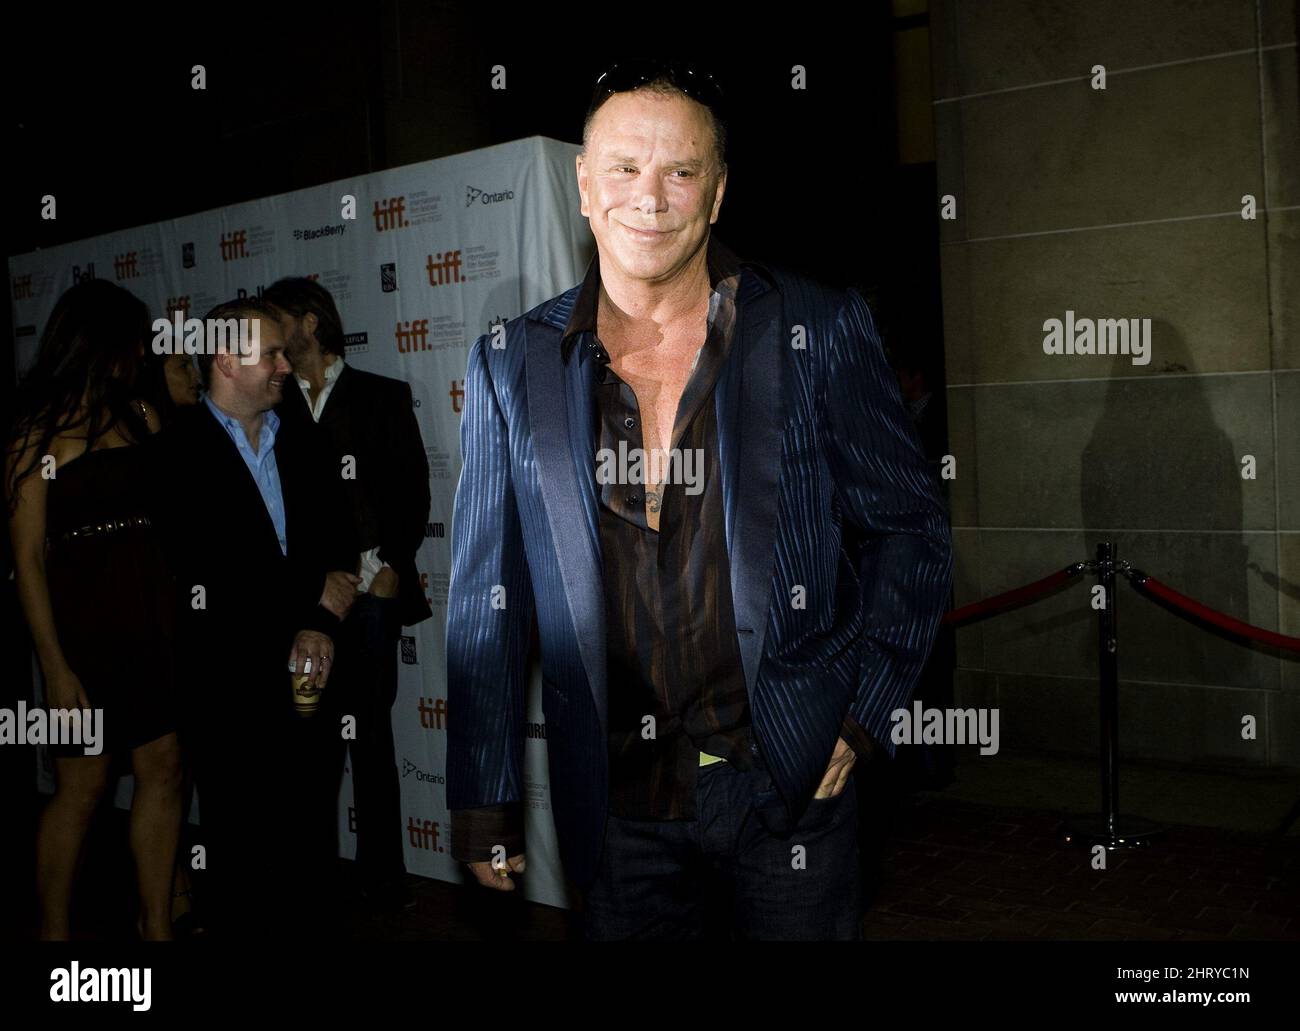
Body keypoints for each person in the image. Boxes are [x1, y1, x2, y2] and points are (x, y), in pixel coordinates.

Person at [445, 60, 953, 940]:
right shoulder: (510, 362)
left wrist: (863, 716)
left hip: (788, 782)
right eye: (624, 168)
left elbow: (909, 529)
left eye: (681, 171)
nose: (651, 197)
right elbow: (487, 598)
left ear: (717, 195)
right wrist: (483, 792)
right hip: (614, 803)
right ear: (582, 184)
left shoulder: (815, 325)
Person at [151, 297, 360, 937]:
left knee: (311, 844)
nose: (282, 365)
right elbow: (208, 573)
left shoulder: (304, 439)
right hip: (228, 691)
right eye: (269, 353)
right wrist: (308, 592)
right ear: (224, 360)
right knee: (241, 855)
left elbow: (340, 547)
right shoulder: (175, 453)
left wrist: (317, 624)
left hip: (310, 676)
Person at [6, 279, 182, 940]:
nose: (141, 352)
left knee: (163, 766)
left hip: (151, 614)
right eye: (132, 339)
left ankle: (157, 926)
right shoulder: (36, 431)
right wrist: (53, 666)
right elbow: (26, 558)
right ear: (101, 342)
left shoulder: (141, 415)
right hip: (81, 629)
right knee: (83, 788)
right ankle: (53, 936)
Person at [265, 276, 432, 910]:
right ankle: (311, 878)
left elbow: (412, 490)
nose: (270, 335)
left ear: (309, 324)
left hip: (371, 598)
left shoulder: (381, 396)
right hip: (303, 603)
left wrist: (392, 563)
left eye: (278, 320)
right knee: (306, 733)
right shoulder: (272, 406)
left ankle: (383, 880)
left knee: (368, 737)